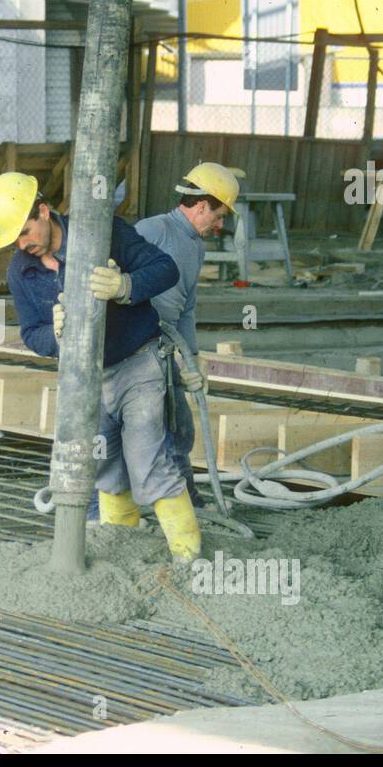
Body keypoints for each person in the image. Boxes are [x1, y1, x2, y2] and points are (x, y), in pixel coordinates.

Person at [0, 171, 201, 565]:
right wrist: (56, 336)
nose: (22, 244)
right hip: (86, 380)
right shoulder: (22, 270)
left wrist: (125, 286)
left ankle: (187, 560)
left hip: (139, 365)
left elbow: (165, 269)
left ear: (44, 211)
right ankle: (123, 552)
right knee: (107, 468)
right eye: (14, 238)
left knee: (149, 460)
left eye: (26, 231)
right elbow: (32, 333)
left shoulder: (106, 233)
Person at [135, 162, 239, 508]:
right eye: (219, 215)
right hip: (135, 349)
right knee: (145, 428)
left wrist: (193, 361)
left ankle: (184, 497)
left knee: (180, 428)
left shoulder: (196, 247)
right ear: (200, 206)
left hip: (166, 351)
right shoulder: (154, 230)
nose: (220, 225)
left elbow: (188, 307)